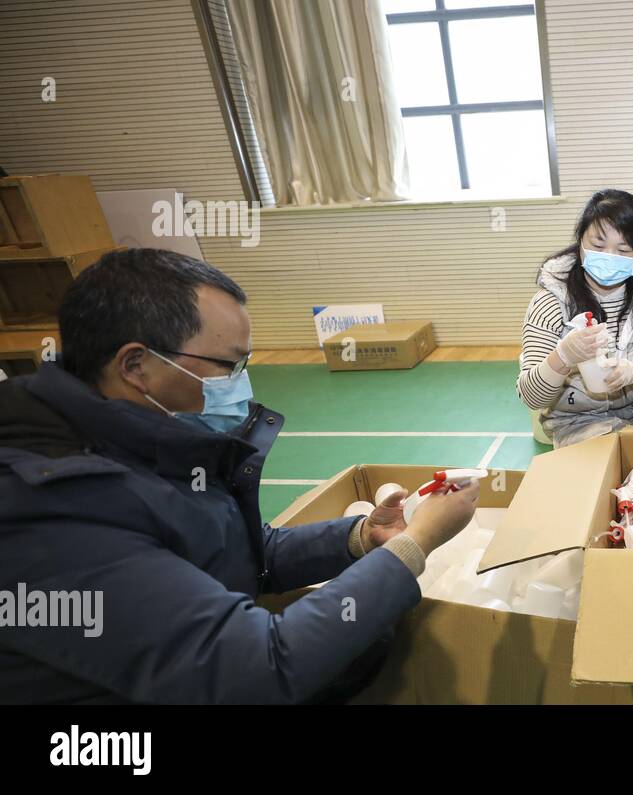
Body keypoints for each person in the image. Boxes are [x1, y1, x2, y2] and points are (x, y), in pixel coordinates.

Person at [0, 248, 478, 704]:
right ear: (136, 366)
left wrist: (360, 538)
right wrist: (414, 544)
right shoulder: (49, 509)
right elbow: (259, 671)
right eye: (229, 365)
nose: (243, 384)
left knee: (367, 639)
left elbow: (238, 553)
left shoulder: (144, 441)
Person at [517, 189, 633, 447]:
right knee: (600, 480)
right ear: (580, 241)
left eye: (623, 249)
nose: (610, 258)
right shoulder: (550, 302)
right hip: (580, 421)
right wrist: (563, 357)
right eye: (598, 246)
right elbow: (532, 397)